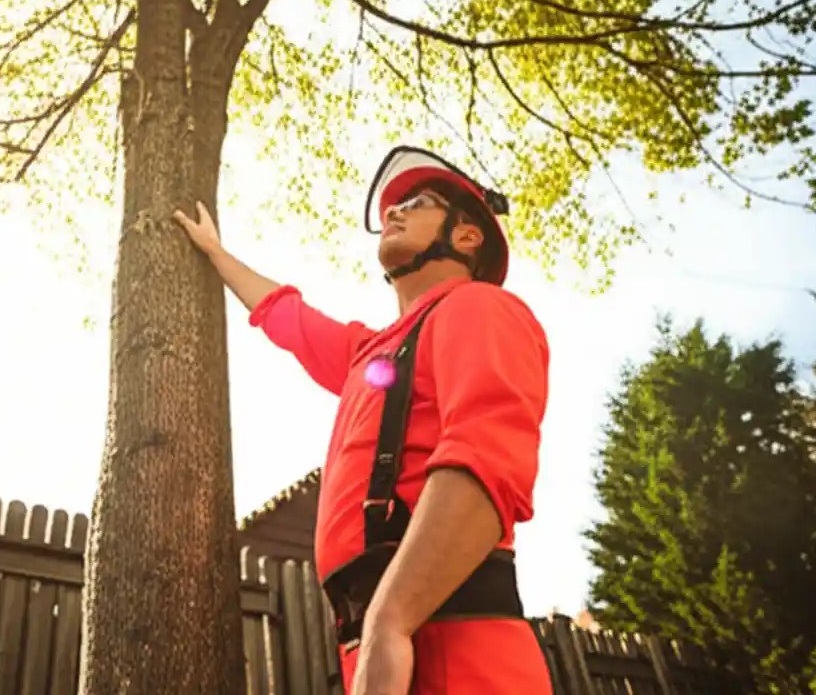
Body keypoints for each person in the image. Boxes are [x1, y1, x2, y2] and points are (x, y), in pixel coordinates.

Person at [174, 146, 552, 695]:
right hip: (383, 644)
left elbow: (487, 462)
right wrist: (215, 253)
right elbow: (286, 316)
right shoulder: (373, 355)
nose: (392, 211)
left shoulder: (479, 307)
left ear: (467, 236)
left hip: (454, 647)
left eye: (416, 202)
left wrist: (390, 619)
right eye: (391, 206)